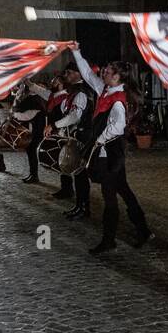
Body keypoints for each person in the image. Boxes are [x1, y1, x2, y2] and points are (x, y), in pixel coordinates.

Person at [71, 50, 152, 253]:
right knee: (123, 189)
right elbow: (88, 75)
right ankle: (143, 230)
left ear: (116, 77)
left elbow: (118, 126)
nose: (103, 73)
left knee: (110, 195)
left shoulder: (117, 99)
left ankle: (109, 240)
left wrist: (100, 139)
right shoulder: (106, 90)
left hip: (110, 153)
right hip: (110, 151)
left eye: (107, 71)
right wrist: (75, 52)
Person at [53, 61, 95, 218]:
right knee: (77, 173)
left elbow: (76, 116)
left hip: (83, 136)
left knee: (80, 173)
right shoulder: (74, 91)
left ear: (78, 73)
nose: (66, 75)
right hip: (76, 135)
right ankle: (79, 206)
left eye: (69, 72)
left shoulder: (82, 92)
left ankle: (84, 208)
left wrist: (55, 125)